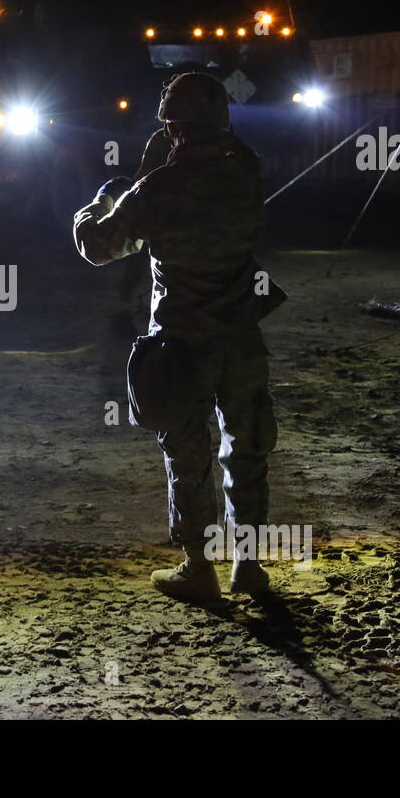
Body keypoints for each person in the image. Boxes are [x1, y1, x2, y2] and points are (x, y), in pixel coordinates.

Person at [72, 72, 284, 602]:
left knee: (189, 454)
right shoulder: (248, 171)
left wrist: (101, 203)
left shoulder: (156, 188)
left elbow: (99, 247)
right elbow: (229, 156)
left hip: (182, 345)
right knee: (247, 449)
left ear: (170, 123)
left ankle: (198, 567)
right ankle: (249, 567)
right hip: (240, 338)